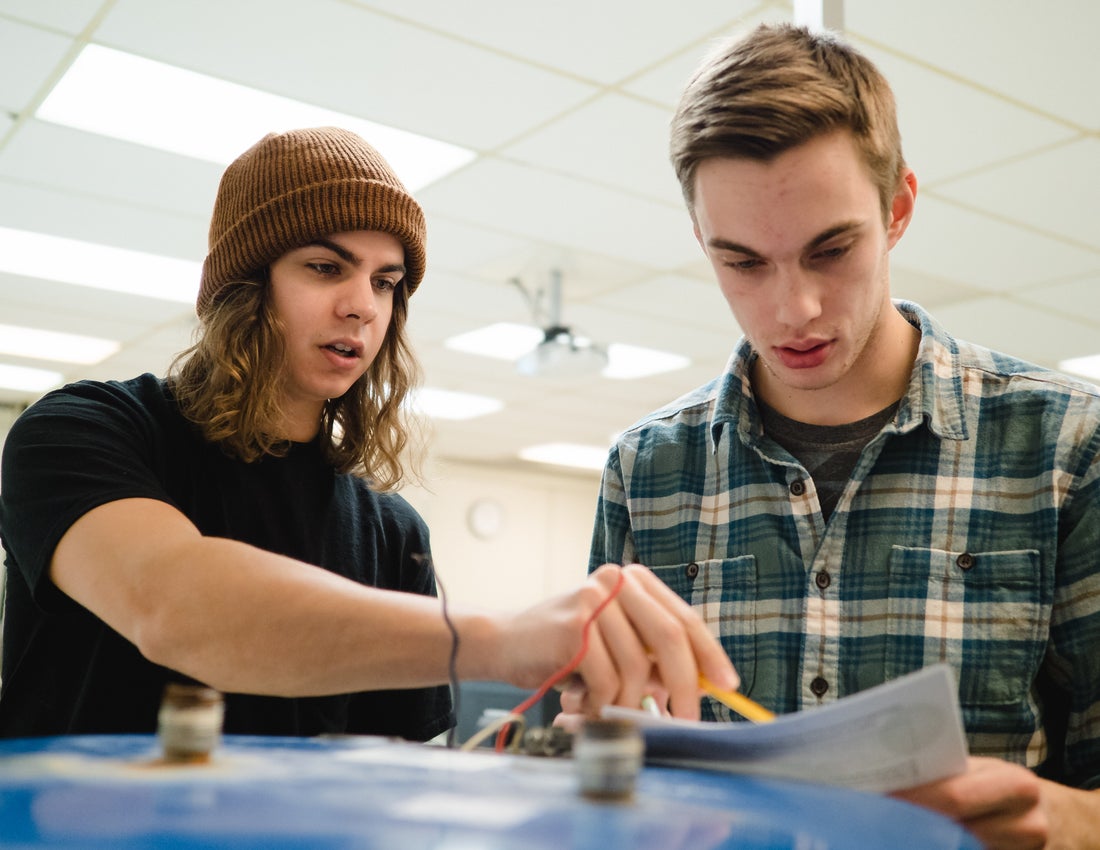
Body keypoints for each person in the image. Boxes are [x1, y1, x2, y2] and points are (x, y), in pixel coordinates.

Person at [0, 126, 737, 741]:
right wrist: (507, 637)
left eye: (386, 282)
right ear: (244, 288)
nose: (363, 307)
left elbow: (396, 779)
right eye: (326, 267)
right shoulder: (83, 433)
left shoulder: (392, 533)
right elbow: (176, 609)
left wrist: (545, 758)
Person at [584, 23, 1100, 849]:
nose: (794, 311)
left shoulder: (1069, 448)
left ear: (897, 210)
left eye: (831, 249)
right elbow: (610, 754)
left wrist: (1067, 819)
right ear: (702, 245)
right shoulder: (645, 471)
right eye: (743, 263)